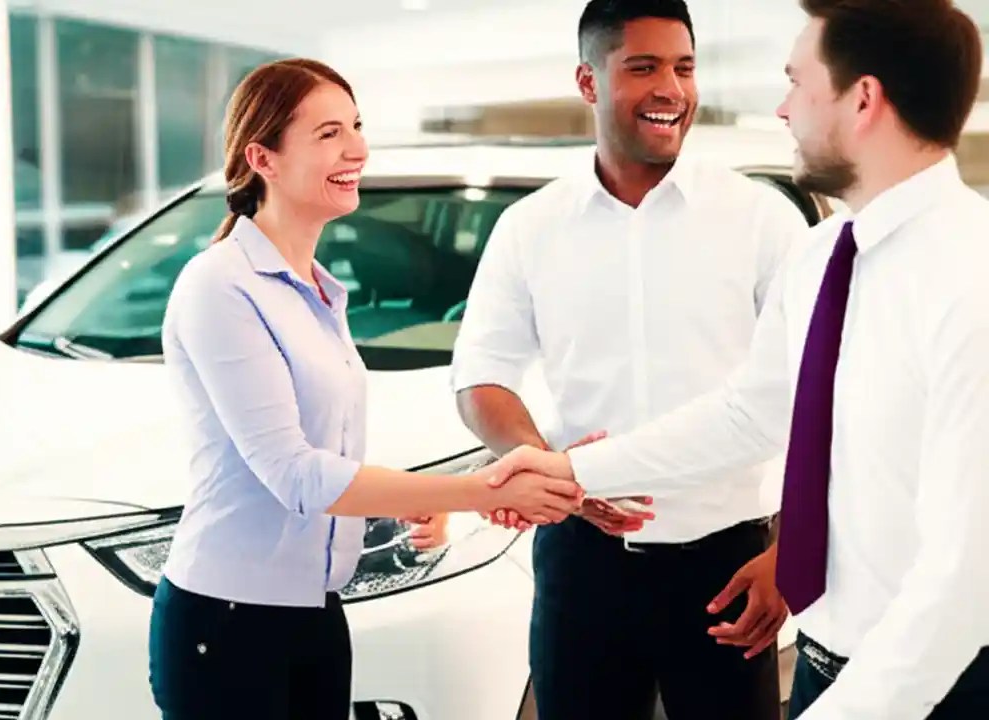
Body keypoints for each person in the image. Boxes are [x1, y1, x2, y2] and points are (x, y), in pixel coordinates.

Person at [539, 1, 989, 717]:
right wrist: (573, 472)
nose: (782, 109)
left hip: (944, 682)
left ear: (863, 100)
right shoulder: (824, 255)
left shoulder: (971, 275)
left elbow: (967, 577)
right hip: (824, 661)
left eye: (797, 83)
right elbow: (751, 414)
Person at [147, 58, 582, 720]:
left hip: (316, 613)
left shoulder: (320, 289)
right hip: (227, 624)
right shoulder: (220, 285)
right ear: (262, 158)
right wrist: (475, 492)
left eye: (356, 126)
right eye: (329, 134)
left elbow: (329, 451)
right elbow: (294, 474)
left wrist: (409, 501)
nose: (357, 149)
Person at [430, 1, 813, 717]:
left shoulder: (761, 219)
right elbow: (479, 377)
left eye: (684, 67)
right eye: (643, 67)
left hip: (727, 563)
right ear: (588, 82)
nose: (671, 88)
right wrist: (553, 473)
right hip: (582, 568)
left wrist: (790, 551)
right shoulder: (530, 227)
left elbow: (811, 396)